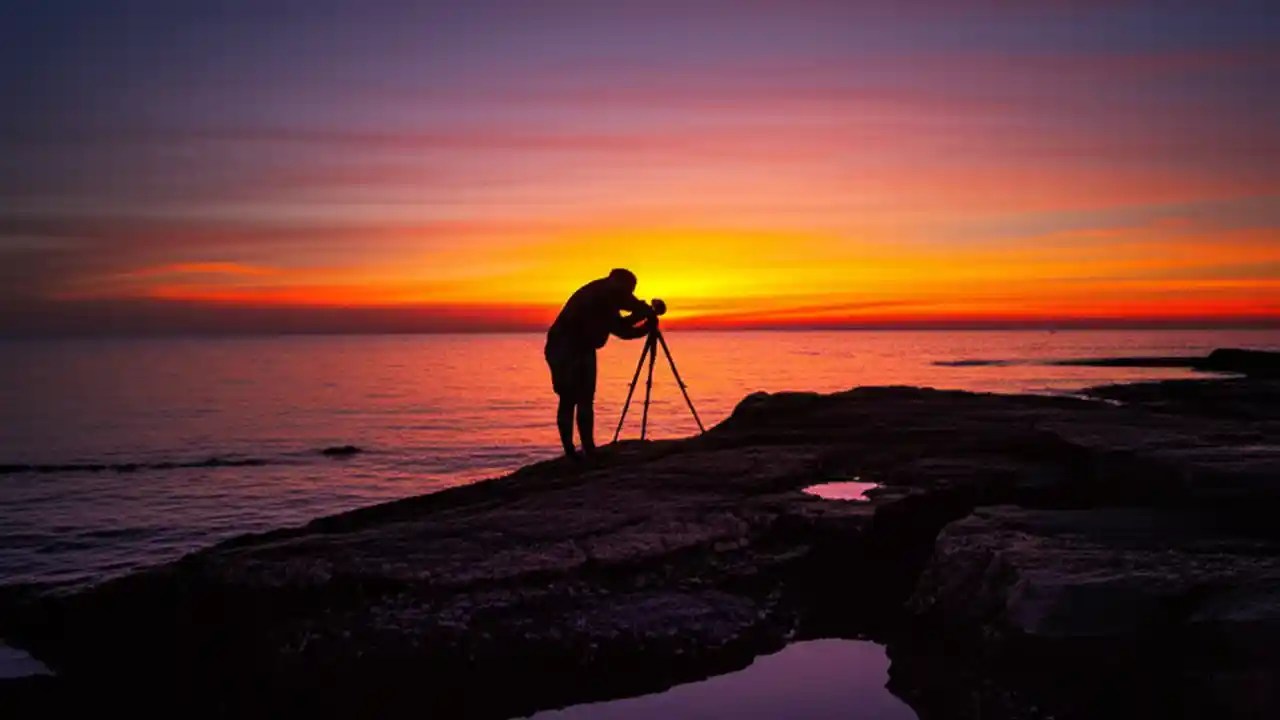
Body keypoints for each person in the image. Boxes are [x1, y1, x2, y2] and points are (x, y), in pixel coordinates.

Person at [545, 268, 656, 460]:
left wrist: (642, 314)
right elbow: (621, 329)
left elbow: (623, 316)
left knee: (584, 399)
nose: (629, 295)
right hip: (564, 348)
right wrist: (645, 323)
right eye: (628, 290)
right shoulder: (602, 296)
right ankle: (574, 451)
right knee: (570, 399)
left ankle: (586, 449)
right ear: (618, 284)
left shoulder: (606, 292)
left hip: (582, 347)